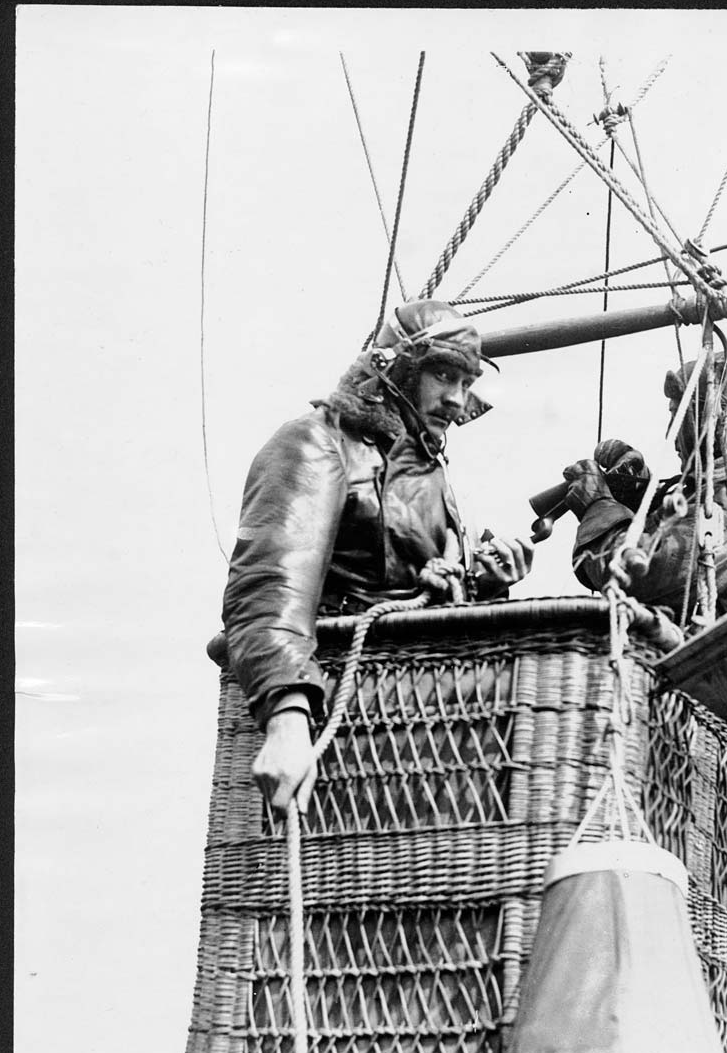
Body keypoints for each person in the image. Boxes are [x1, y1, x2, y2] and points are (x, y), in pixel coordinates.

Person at [221, 298, 533, 815]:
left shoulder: (431, 474)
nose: (456, 400)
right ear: (396, 370)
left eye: (465, 382)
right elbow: (269, 588)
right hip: (336, 710)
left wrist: (485, 586)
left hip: (420, 725)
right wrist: (286, 720)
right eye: (442, 375)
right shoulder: (318, 444)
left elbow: (416, 591)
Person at [563, 351, 727, 621]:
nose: (671, 432)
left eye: (678, 417)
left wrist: (598, 507)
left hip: (695, 660)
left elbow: (641, 576)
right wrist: (639, 493)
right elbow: (680, 541)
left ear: (713, 422)